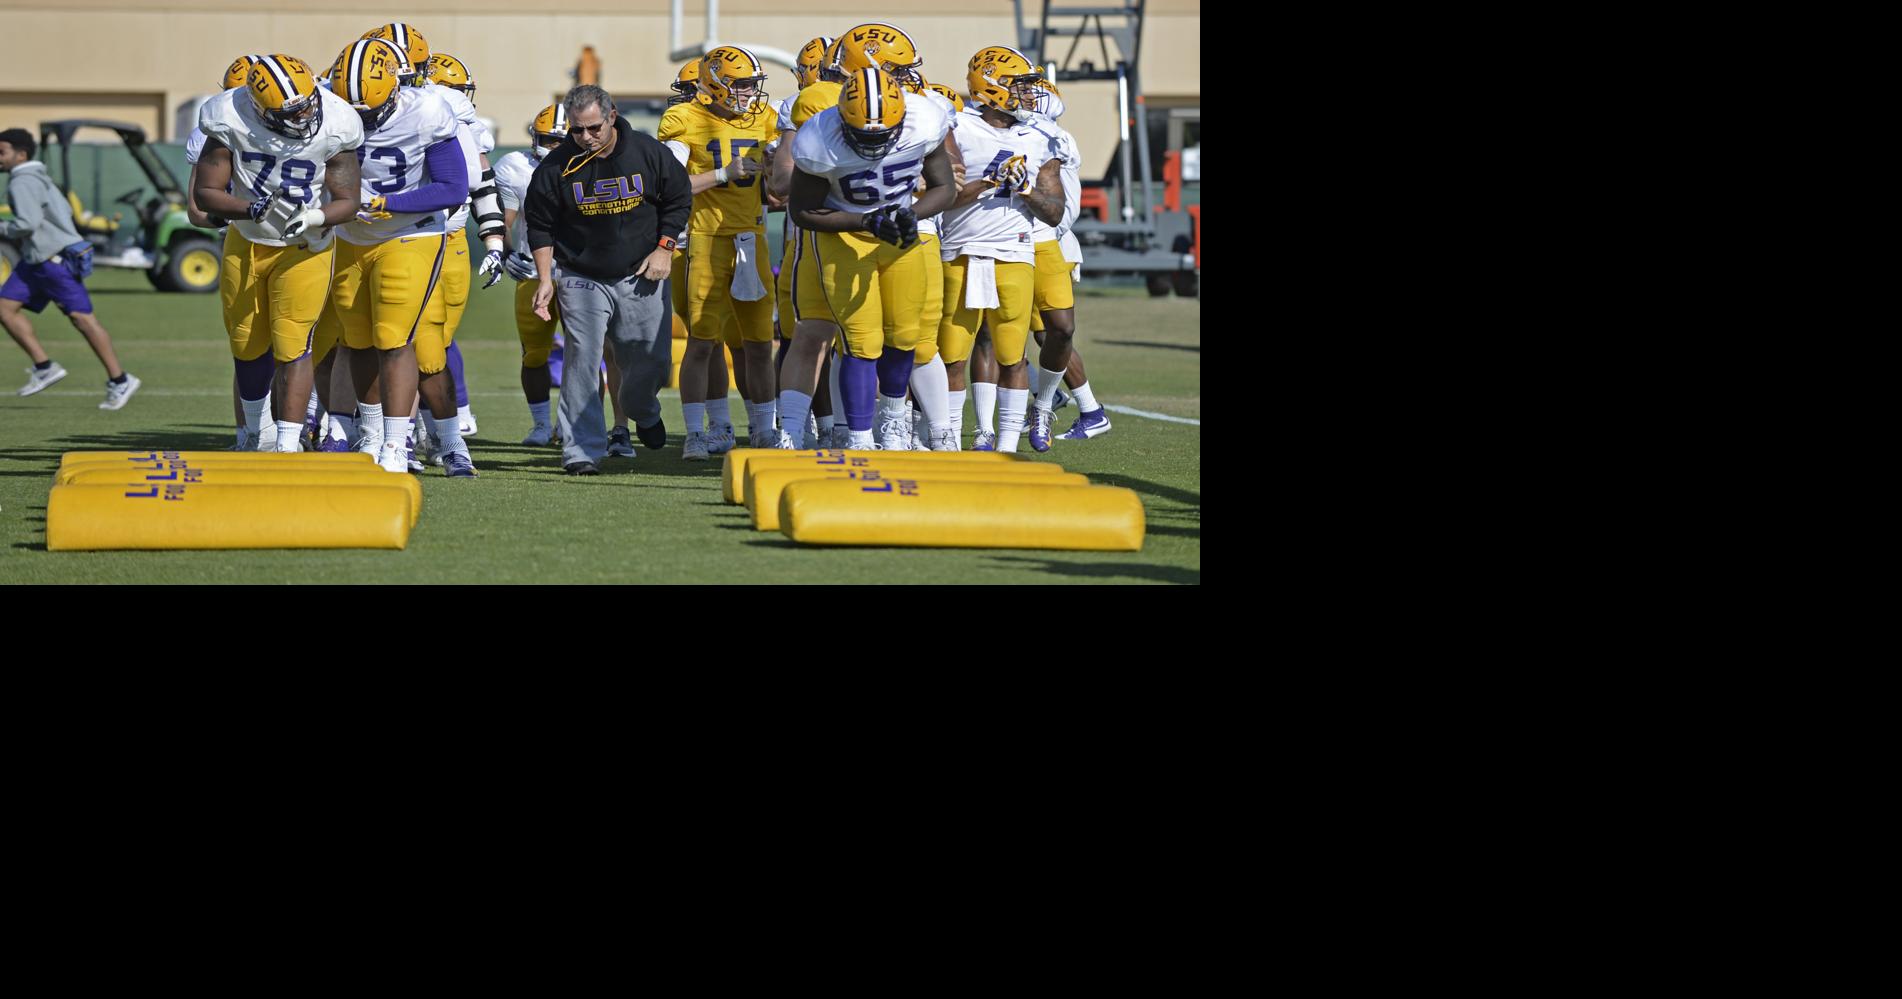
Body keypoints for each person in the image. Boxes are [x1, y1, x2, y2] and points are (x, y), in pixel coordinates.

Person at [523, 85, 690, 475]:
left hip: (641, 271)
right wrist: (545, 279)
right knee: (582, 355)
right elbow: (541, 226)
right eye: (577, 131)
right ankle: (580, 449)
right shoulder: (556, 166)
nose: (586, 137)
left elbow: (679, 198)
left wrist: (664, 247)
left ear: (612, 116)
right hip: (580, 274)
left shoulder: (648, 153)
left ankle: (643, 410)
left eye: (593, 128)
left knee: (650, 361)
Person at [0, 127, 140, 408]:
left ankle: (120, 379)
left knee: (83, 320)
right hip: (36, 260)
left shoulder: (22, 181)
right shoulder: (39, 177)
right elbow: (61, 212)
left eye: (2, 152)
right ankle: (44, 367)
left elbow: (26, 223)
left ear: (21, 154)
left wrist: (3, 227)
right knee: (4, 306)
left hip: (52, 261)